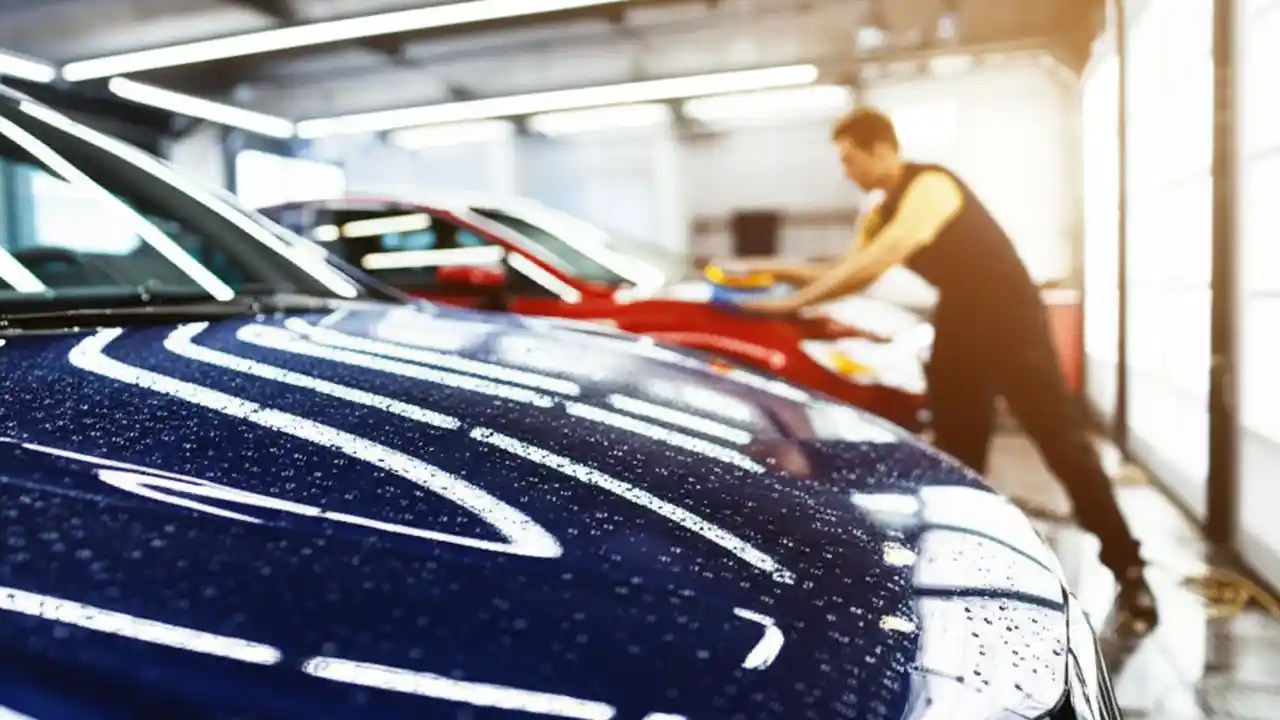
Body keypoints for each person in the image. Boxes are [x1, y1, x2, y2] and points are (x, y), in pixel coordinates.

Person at [724, 108, 1158, 635]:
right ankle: (961, 581)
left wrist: (782, 307)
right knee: (956, 454)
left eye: (850, 159)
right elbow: (845, 268)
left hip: (1011, 316)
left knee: (1062, 444)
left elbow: (876, 264)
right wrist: (774, 273)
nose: (847, 172)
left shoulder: (931, 185)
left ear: (882, 147)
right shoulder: (879, 210)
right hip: (960, 320)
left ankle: (1129, 569)